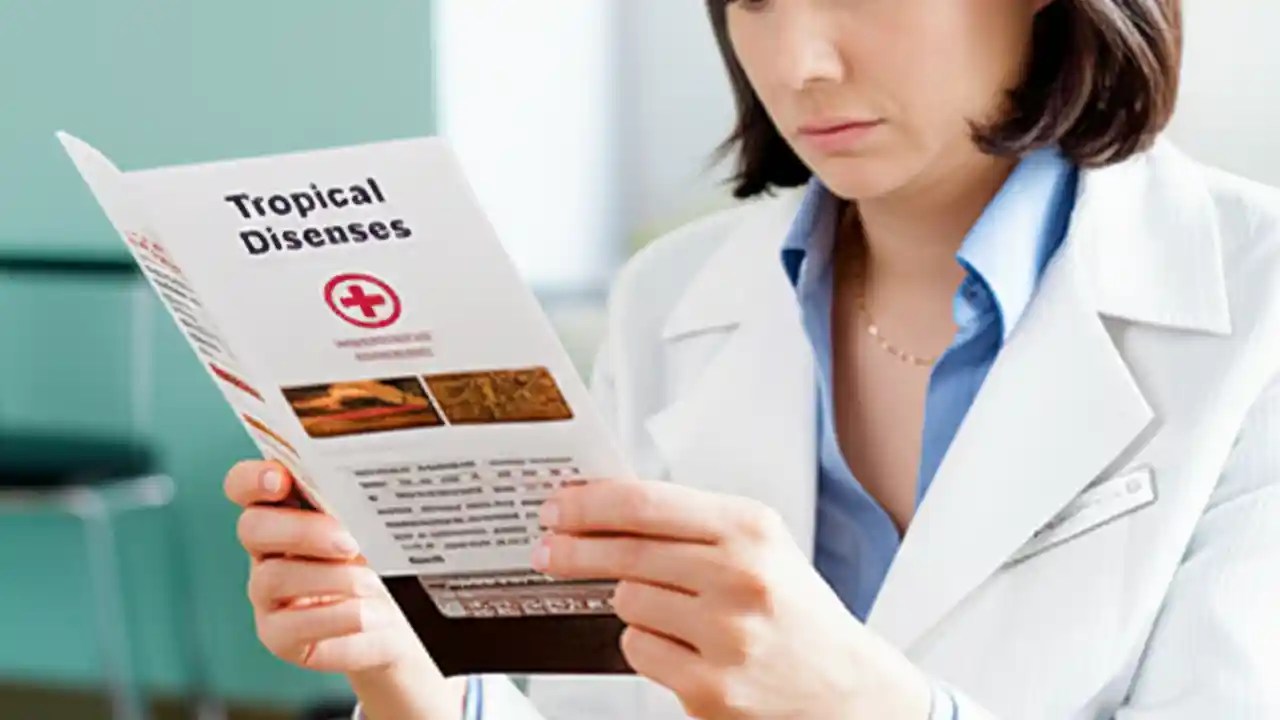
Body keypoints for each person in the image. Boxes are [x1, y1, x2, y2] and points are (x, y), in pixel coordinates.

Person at [223, 0, 1280, 717]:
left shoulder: (1255, 298)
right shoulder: (670, 301)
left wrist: (851, 700)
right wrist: (413, 678)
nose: (799, 65)